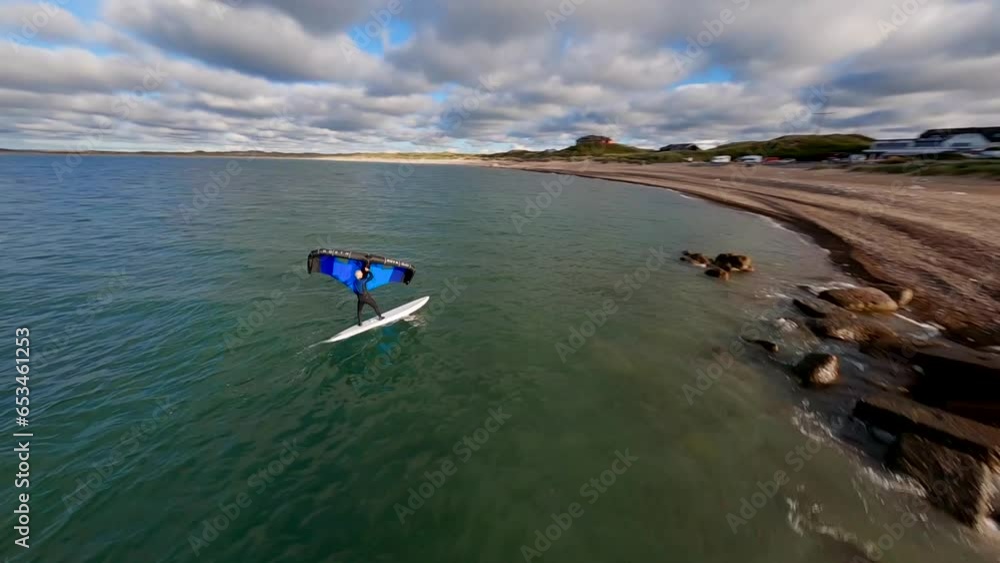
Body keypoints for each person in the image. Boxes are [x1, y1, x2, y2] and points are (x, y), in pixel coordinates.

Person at [354, 261, 384, 326]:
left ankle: (360, 323)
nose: (362, 273)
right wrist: (368, 271)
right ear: (360, 275)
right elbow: (371, 277)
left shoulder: (355, 282)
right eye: (361, 273)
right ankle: (380, 317)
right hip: (366, 298)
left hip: (360, 299)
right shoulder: (363, 281)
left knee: (359, 310)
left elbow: (356, 291)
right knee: (375, 306)